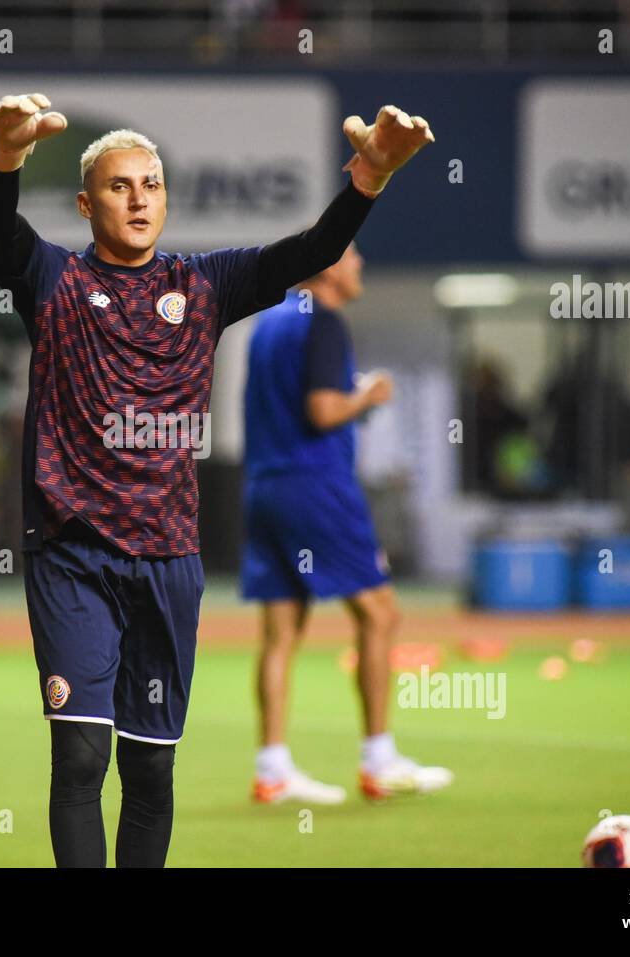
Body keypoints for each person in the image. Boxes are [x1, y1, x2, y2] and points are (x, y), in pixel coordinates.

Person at [0, 91, 434, 865]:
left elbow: (309, 251)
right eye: (120, 186)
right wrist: (5, 159)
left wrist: (371, 178)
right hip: (72, 553)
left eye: (151, 183)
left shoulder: (204, 286)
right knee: (83, 756)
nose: (139, 198)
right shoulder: (52, 280)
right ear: (87, 203)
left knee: (152, 765)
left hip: (169, 557)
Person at [242, 244, 452, 804]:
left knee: (280, 632)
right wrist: (369, 394)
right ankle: (379, 759)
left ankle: (272, 768)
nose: (360, 265)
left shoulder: (269, 322)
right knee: (381, 614)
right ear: (330, 265)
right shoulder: (325, 321)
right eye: (354, 257)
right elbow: (323, 411)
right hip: (314, 484)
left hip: (264, 485)